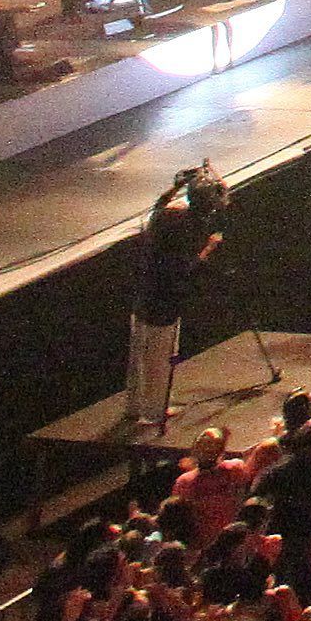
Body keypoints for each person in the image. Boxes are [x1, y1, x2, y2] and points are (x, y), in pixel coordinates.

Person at [129, 166, 221, 433]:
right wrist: (210, 247)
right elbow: (188, 267)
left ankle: (135, 405)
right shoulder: (191, 227)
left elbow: (158, 206)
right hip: (165, 301)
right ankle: (154, 413)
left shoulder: (164, 217)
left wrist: (174, 187)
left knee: (138, 356)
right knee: (159, 359)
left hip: (144, 292)